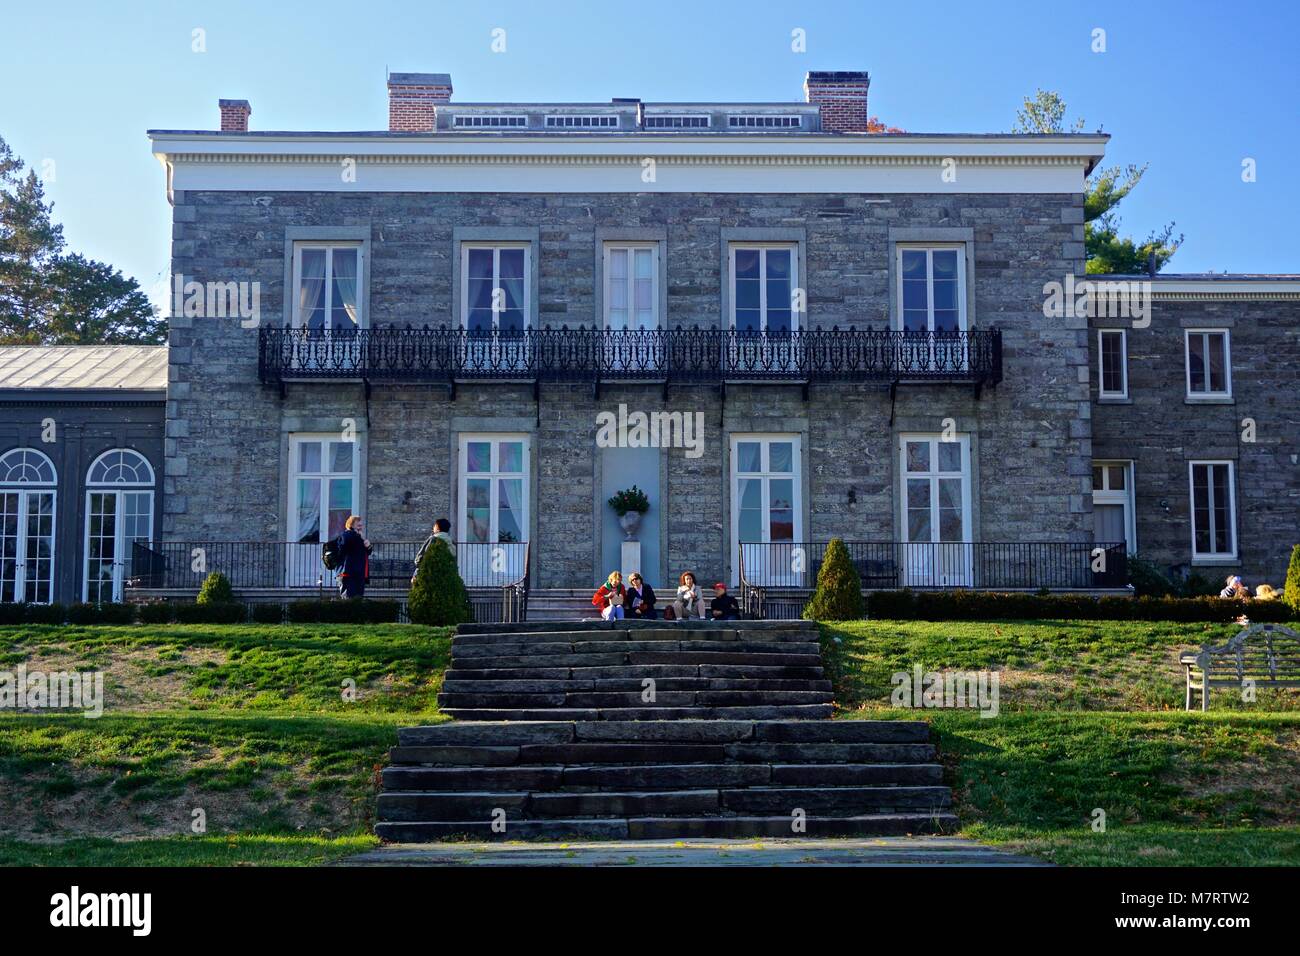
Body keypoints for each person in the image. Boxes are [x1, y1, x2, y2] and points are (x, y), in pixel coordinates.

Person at [335, 515, 372, 599]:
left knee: (357, 598)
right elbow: (342, 549)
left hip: (359, 573)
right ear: (351, 525)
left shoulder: (359, 537)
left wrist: (368, 545)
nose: (361, 527)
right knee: (348, 598)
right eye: (358, 525)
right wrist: (356, 535)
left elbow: (367, 552)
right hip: (348, 573)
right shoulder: (347, 535)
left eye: (361, 525)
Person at [413, 517, 456, 582]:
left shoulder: (433, 539)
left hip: (429, 572)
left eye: (434, 526)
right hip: (445, 573)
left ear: (438, 528)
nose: (433, 527)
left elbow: (422, 554)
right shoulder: (450, 541)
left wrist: (417, 566)